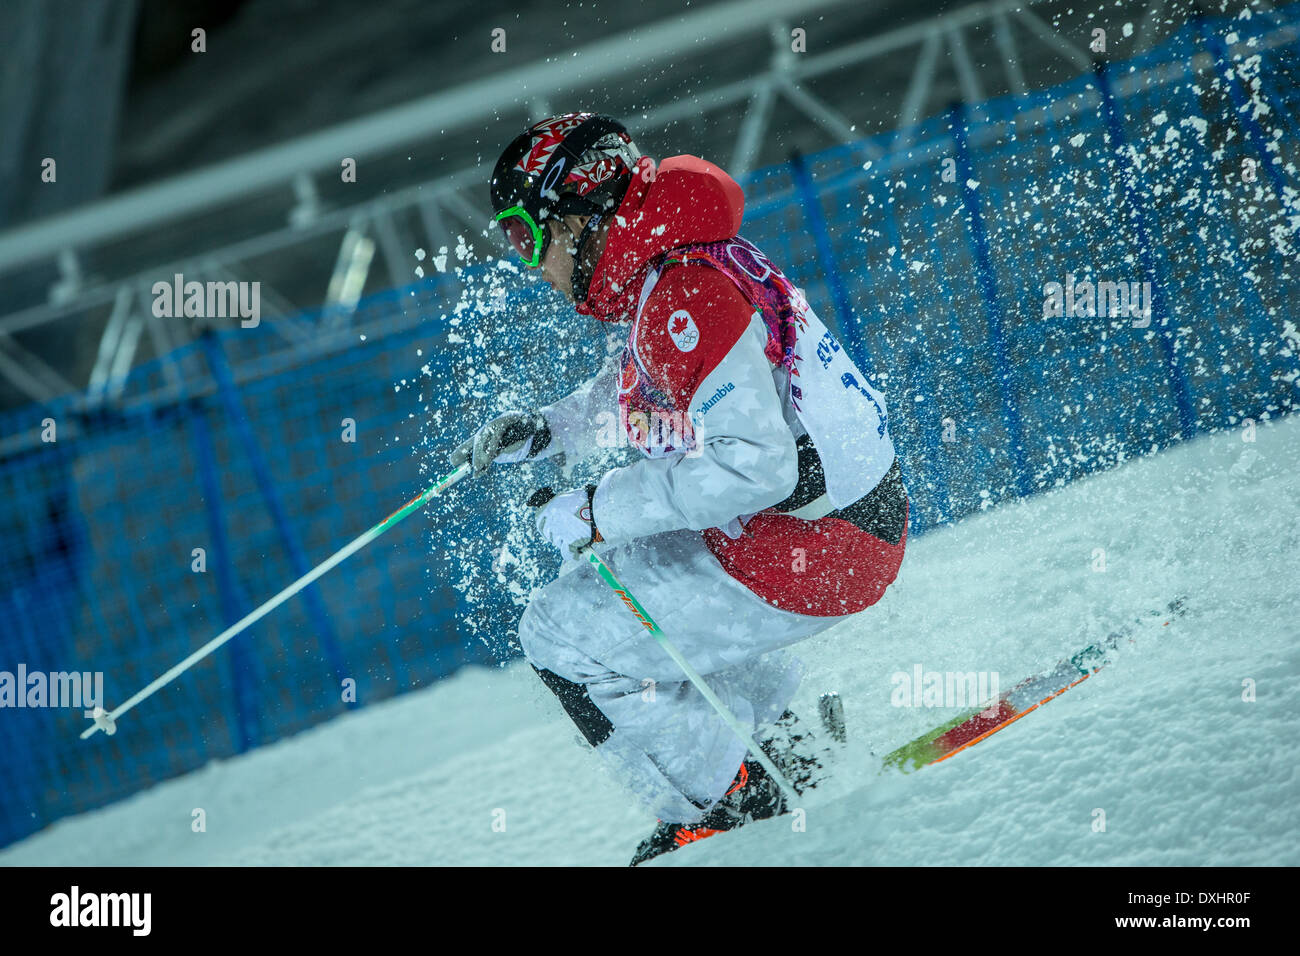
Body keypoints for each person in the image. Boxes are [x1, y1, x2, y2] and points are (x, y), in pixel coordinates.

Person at [452, 112, 909, 865]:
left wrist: (600, 511)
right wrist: (551, 430)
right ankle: (780, 746)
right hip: (825, 527)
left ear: (576, 218)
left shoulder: (682, 295)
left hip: (820, 546)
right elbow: (650, 387)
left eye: (527, 237)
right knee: (614, 589)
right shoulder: (678, 267)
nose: (531, 265)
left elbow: (754, 466)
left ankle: (735, 803)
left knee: (559, 636)